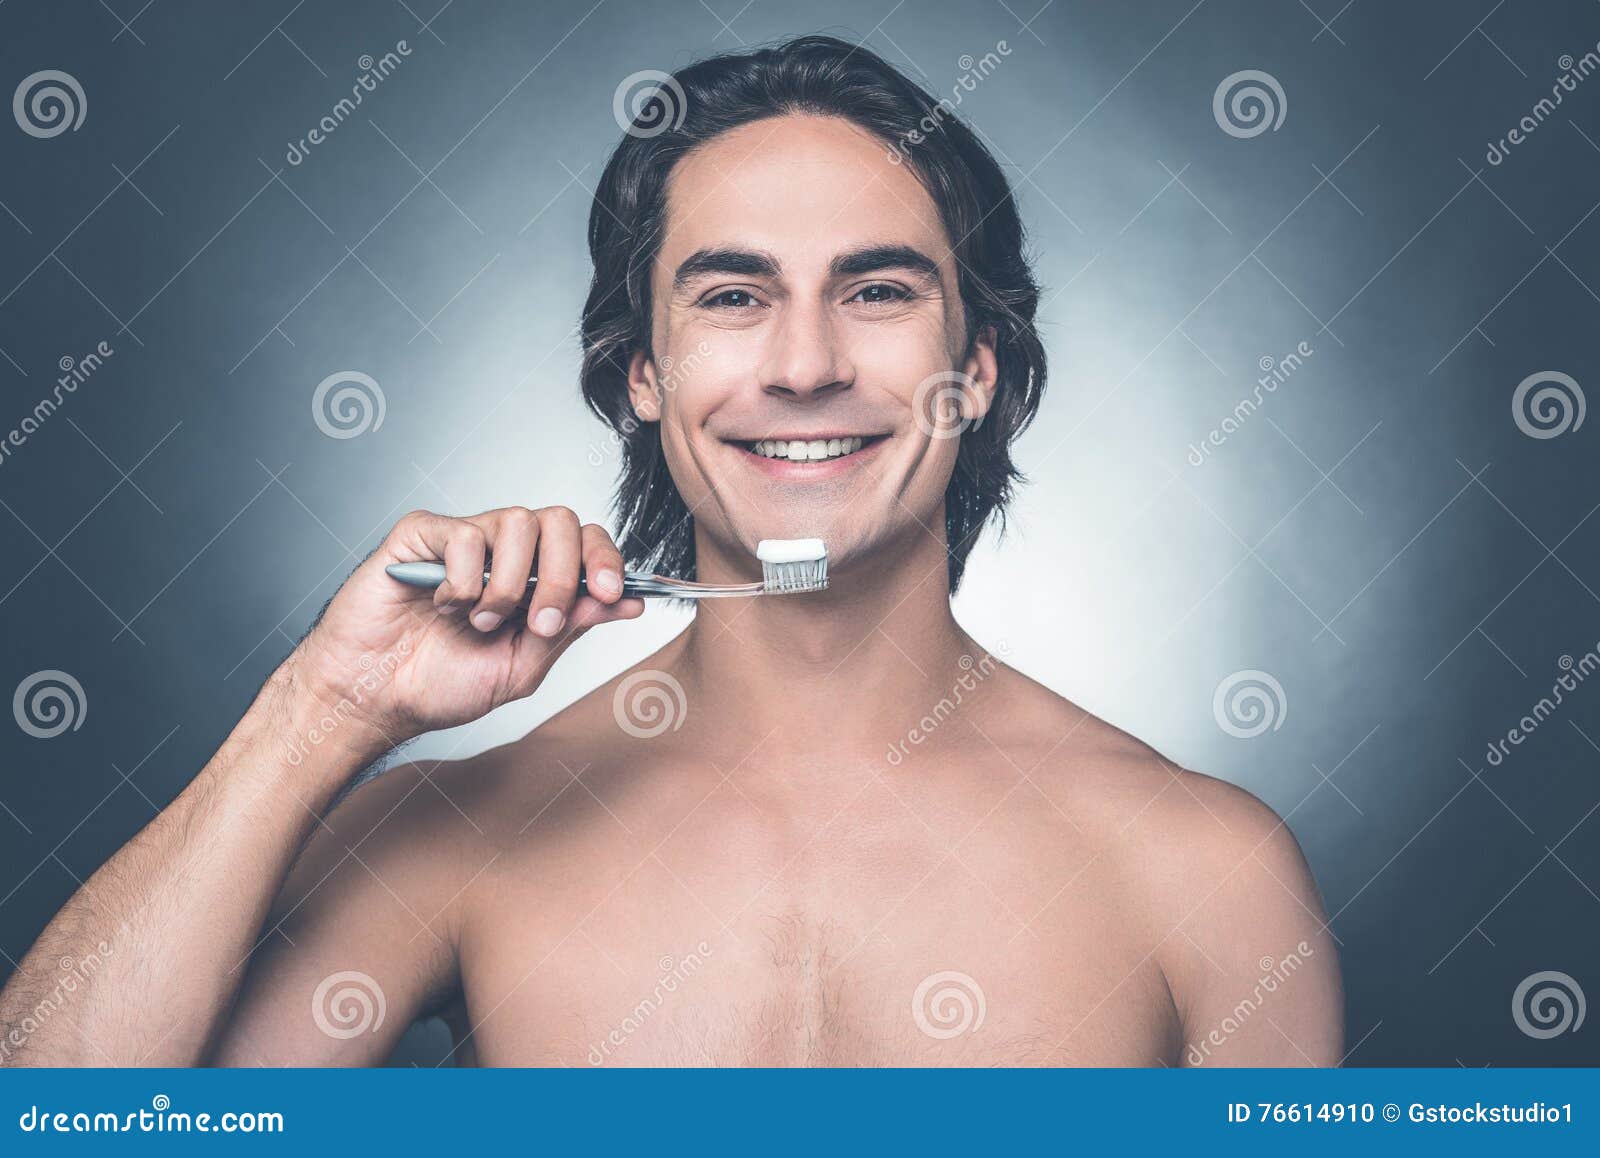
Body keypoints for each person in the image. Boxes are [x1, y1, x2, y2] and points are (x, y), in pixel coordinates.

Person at [0, 35, 1341, 1067]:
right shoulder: (456, 833)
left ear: (977, 369)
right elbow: (59, 1121)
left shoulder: (1204, 869)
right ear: (643, 371)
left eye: (878, 290)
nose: (806, 365)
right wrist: (323, 710)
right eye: (734, 296)